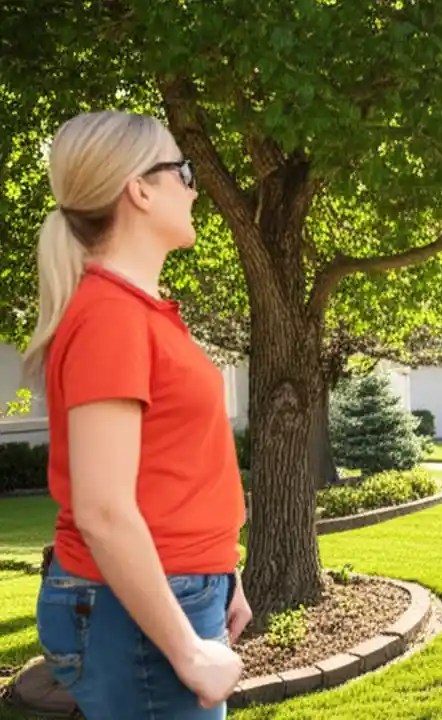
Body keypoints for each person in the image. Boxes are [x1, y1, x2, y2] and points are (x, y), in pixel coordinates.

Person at [21, 110, 250, 719]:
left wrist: (224, 570)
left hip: (170, 594)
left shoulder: (134, 312)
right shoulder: (110, 319)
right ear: (139, 188)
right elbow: (102, 509)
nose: (195, 187)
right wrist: (189, 651)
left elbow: (170, 468)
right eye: (184, 170)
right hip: (139, 613)